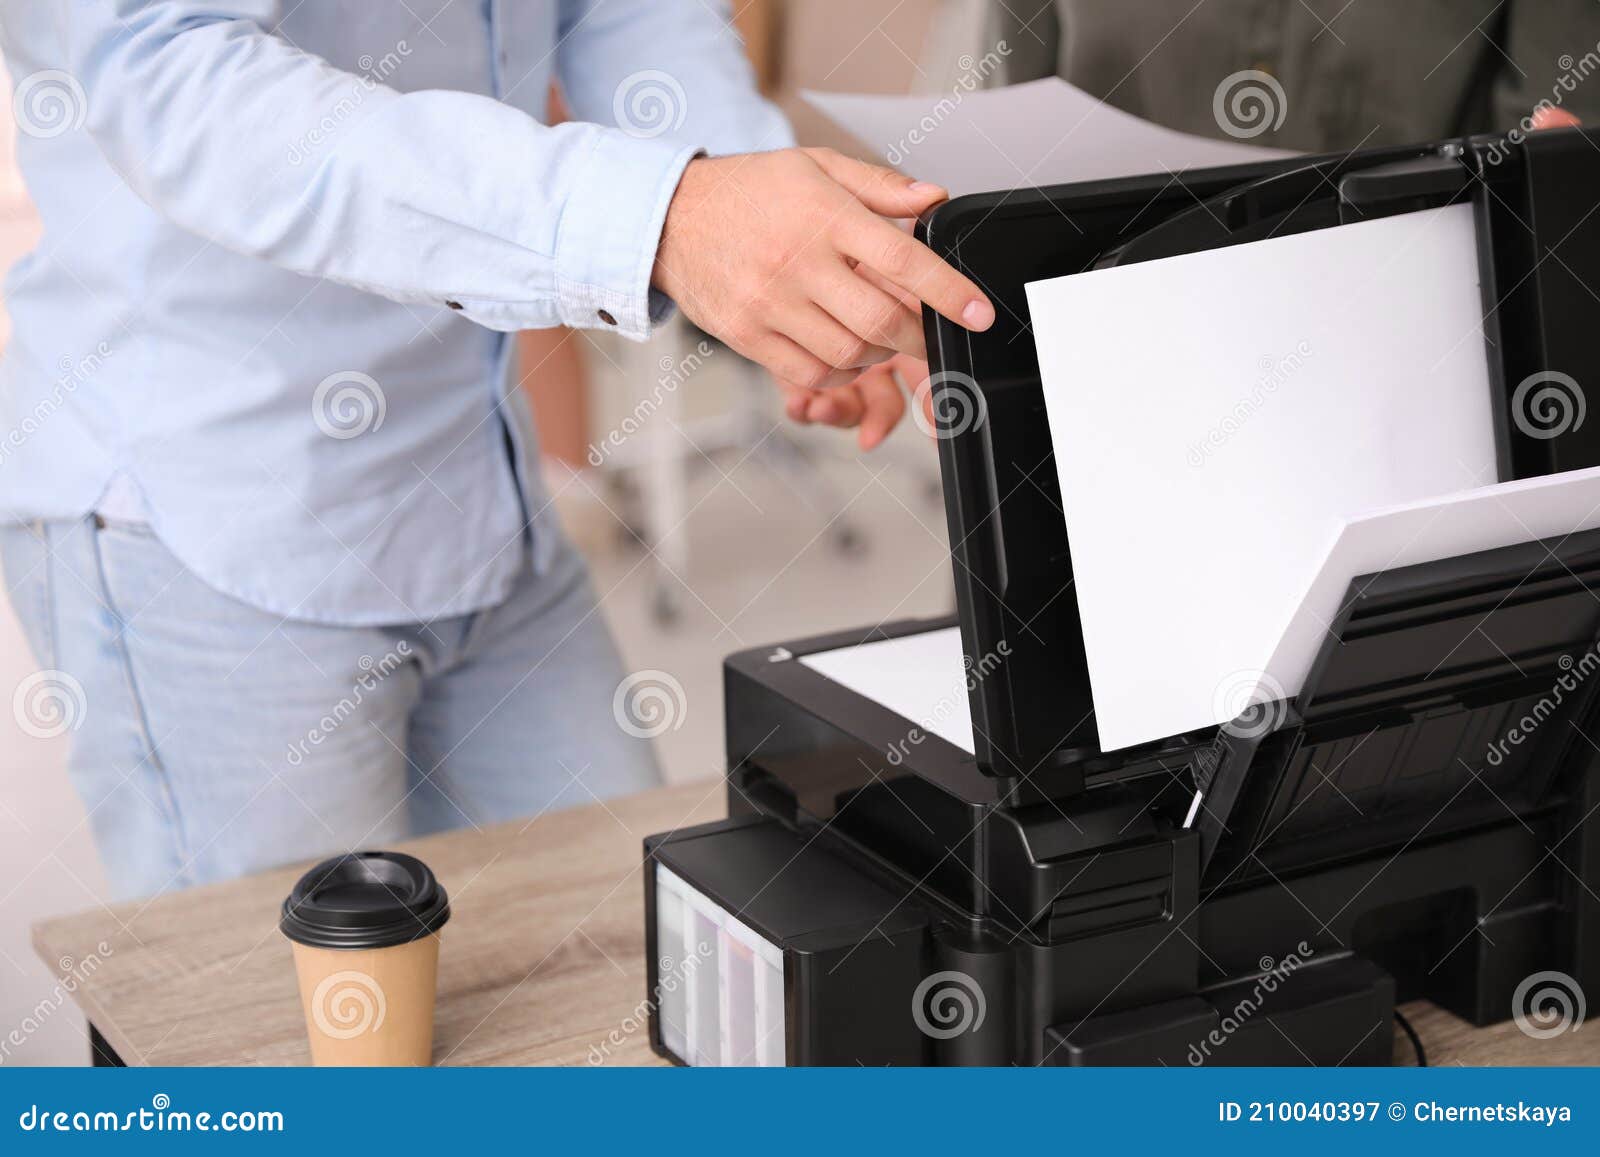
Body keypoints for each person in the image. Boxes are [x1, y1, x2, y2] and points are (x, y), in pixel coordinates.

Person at [0, 1, 996, 898]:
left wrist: (779, 246)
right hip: (211, 512)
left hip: (479, 486)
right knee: (307, 1057)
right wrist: (658, 217)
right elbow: (170, 79)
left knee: (623, 963)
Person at [825, 0, 1597, 443]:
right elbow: (1009, 149)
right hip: (1101, 406)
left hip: (1401, 408)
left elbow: (1548, 178)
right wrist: (923, 313)